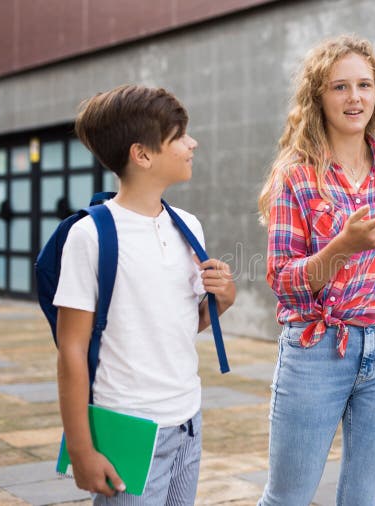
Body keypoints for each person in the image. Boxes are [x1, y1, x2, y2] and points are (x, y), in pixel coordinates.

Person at [256, 35, 375, 506]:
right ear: (318, 97)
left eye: (365, 85)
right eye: (340, 87)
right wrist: (343, 247)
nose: (355, 98)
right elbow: (283, 280)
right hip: (316, 349)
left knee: (365, 500)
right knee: (287, 498)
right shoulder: (297, 173)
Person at [54, 84, 236, 503]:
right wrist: (82, 450)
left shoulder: (187, 225)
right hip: (129, 427)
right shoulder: (90, 235)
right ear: (143, 154)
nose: (194, 143)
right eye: (180, 137)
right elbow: (71, 351)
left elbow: (176, 326)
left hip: (188, 418)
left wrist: (221, 302)